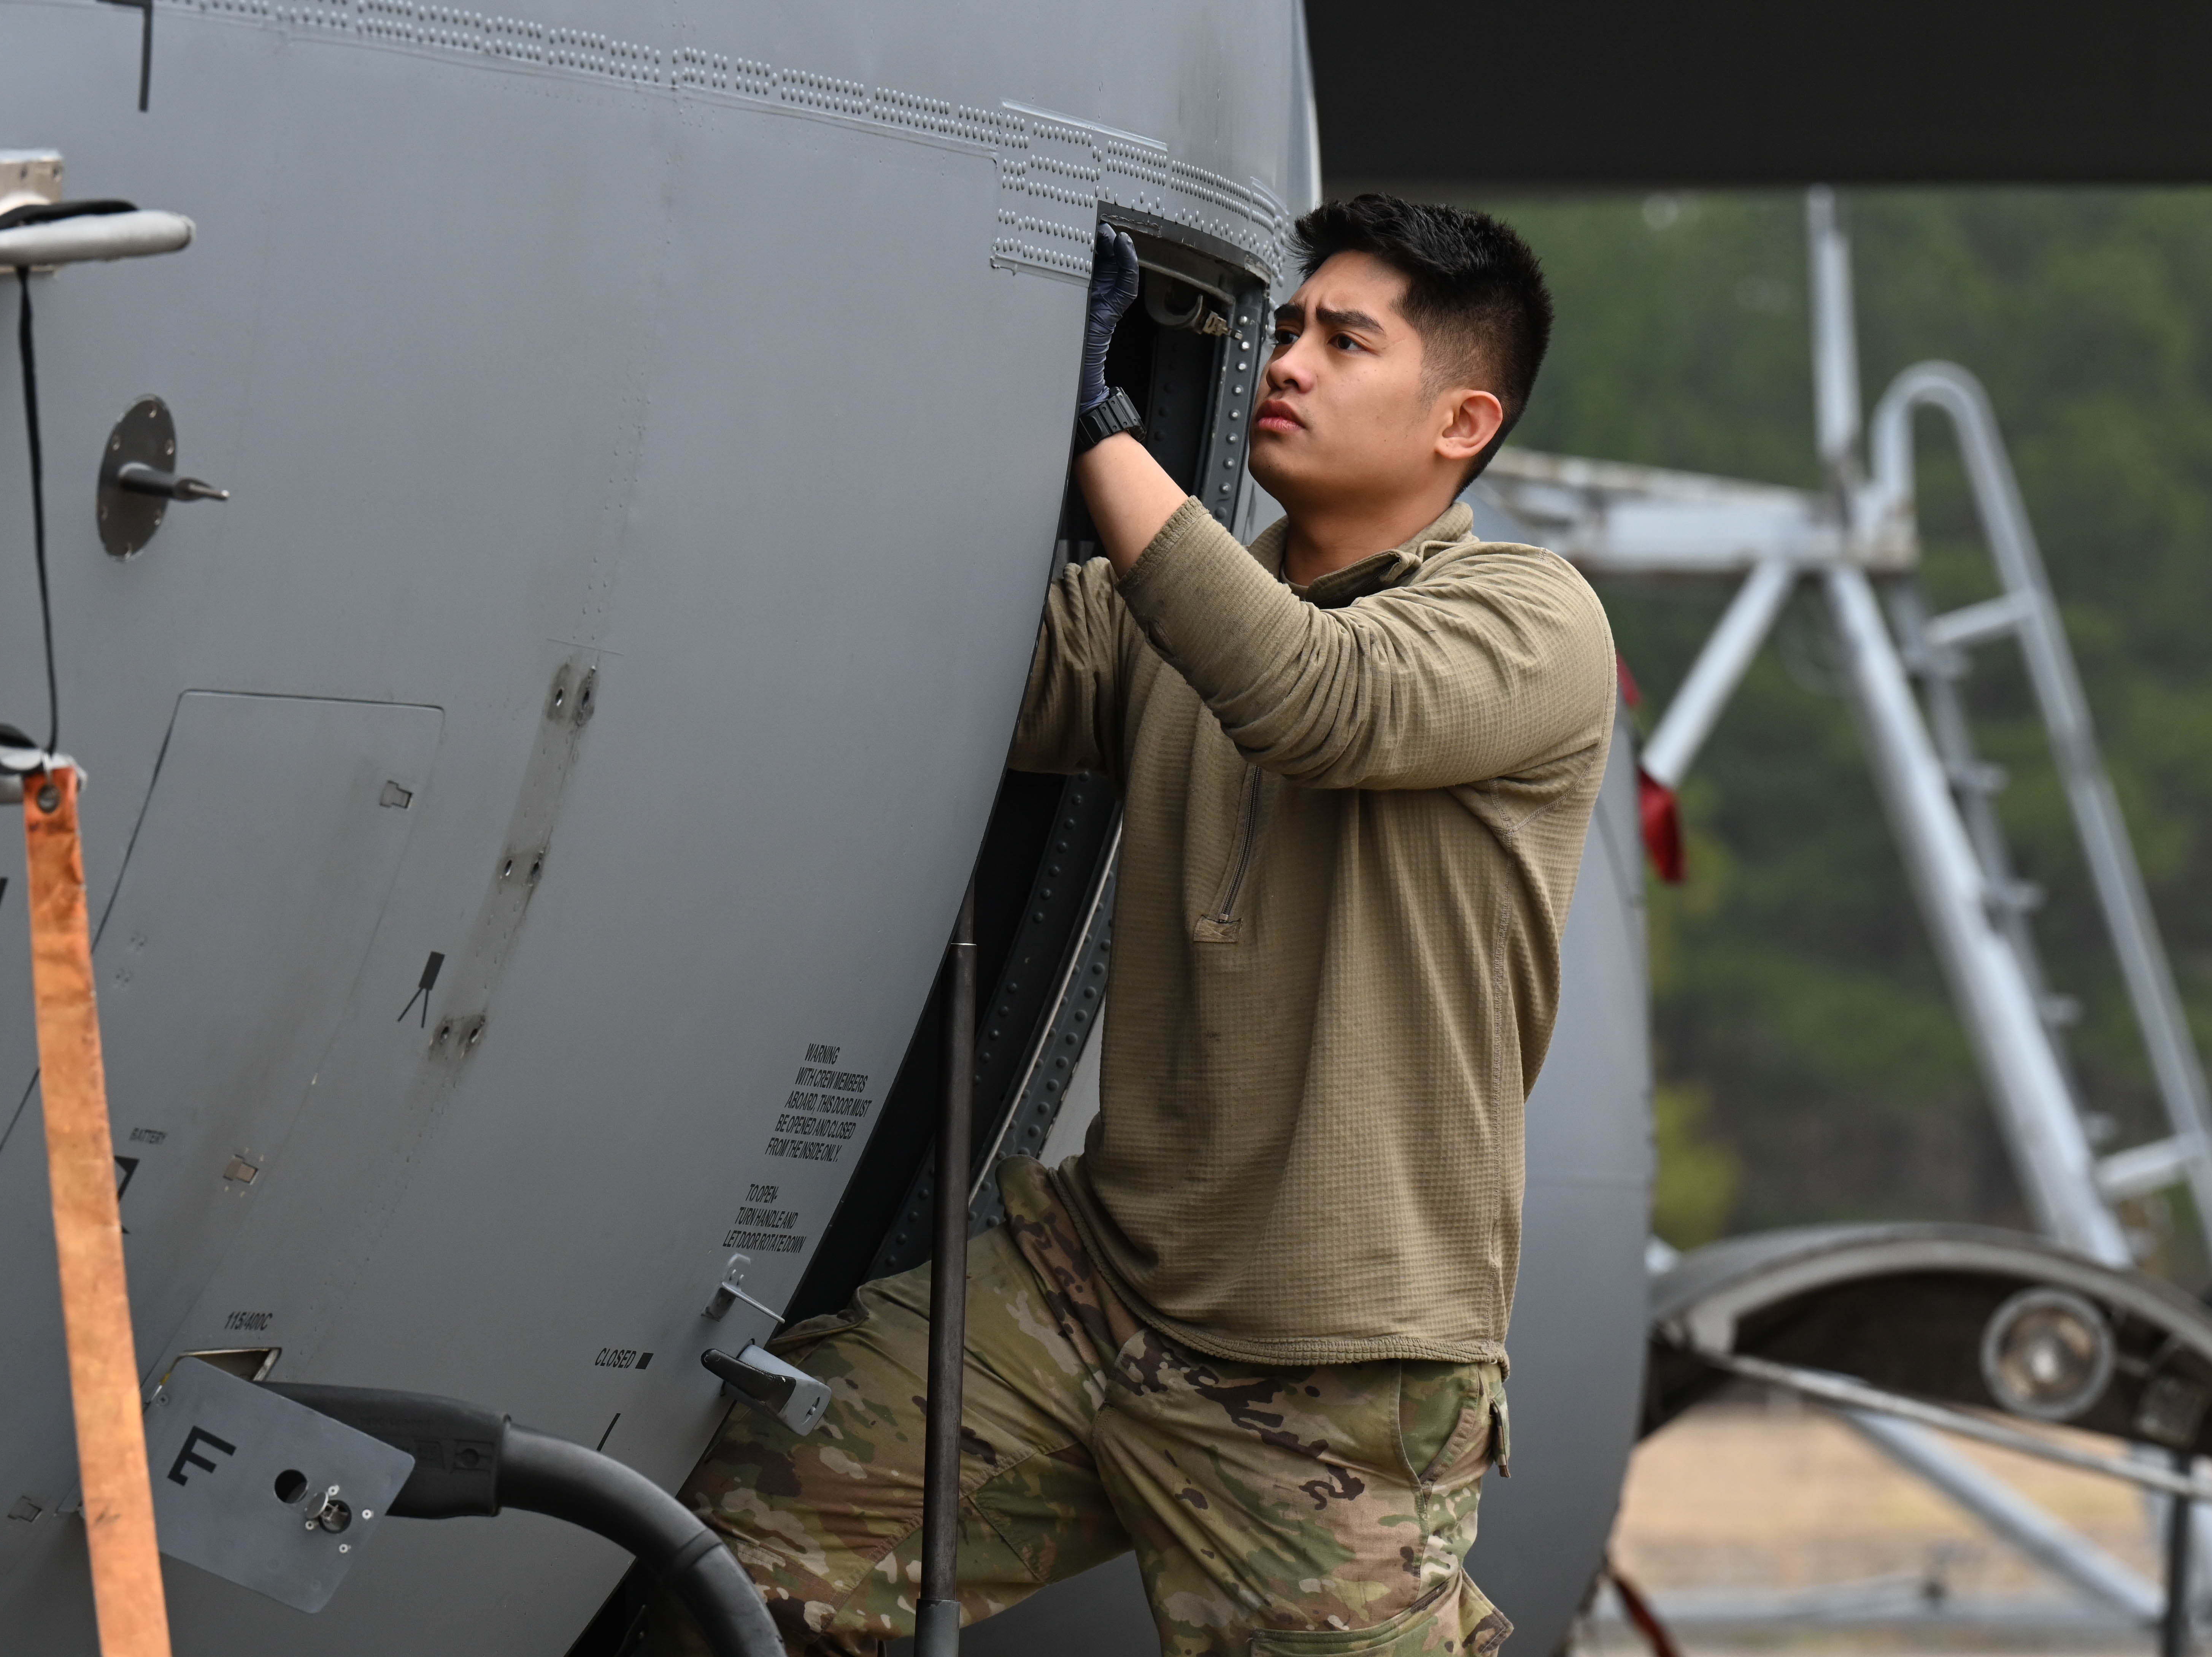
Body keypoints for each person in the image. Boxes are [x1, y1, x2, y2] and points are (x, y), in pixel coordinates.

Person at [650, 197, 1616, 1657]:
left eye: (1343, 342)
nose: (1286, 362)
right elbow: (956, 675)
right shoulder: (1170, 606)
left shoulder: (1529, 621)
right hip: (1095, 1289)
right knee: (753, 1546)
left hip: (1330, 1371)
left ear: (1460, 420)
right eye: (1286, 329)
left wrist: (1105, 430)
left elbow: (1316, 700)